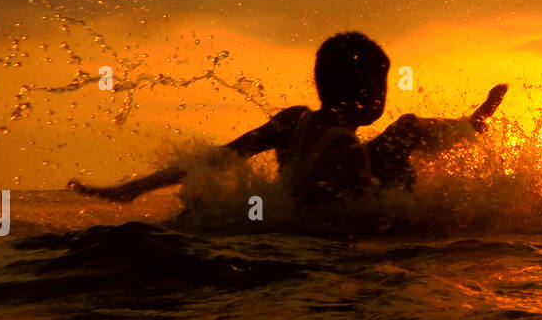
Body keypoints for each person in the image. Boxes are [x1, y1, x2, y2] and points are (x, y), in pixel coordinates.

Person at [68, 32, 508, 205]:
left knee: (407, 129)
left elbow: (218, 159)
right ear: (369, 95)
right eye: (382, 86)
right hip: (331, 238)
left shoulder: (292, 121)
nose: (384, 96)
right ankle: (475, 124)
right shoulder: (345, 145)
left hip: (299, 221)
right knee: (407, 131)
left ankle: (475, 121)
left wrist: (135, 188)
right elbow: (342, 212)